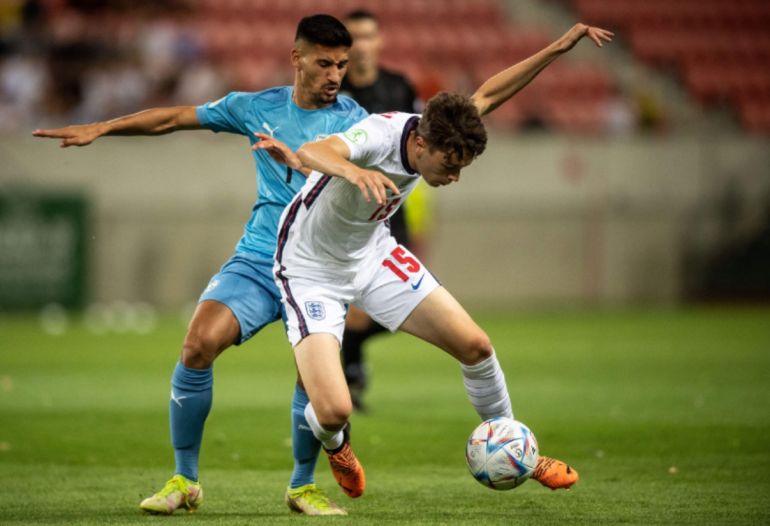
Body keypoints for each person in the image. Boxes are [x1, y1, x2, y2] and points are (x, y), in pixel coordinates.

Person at [255, 23, 613, 501]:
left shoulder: (436, 127)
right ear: (422, 146)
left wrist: (558, 47)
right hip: (309, 269)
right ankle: (336, 444)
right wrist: (355, 170)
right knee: (336, 409)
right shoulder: (377, 135)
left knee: (477, 346)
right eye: (450, 166)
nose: (455, 177)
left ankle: (518, 452)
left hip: (372, 254)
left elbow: (487, 96)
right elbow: (313, 151)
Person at [33, 14, 368, 517]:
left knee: (313, 381)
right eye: (324, 63)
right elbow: (173, 118)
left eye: (342, 65)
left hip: (319, 268)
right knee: (197, 344)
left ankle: (302, 487)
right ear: (297, 58)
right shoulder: (255, 107)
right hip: (259, 258)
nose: (335, 76)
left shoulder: (356, 120)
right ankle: (185, 480)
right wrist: (104, 127)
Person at [339, 9, 421, 411]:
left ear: (379, 41)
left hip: (394, 211)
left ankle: (345, 363)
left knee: (400, 308)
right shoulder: (333, 92)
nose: (361, 45)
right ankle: (348, 380)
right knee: (356, 311)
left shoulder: (399, 87)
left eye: (368, 36)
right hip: (350, 213)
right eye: (353, 37)